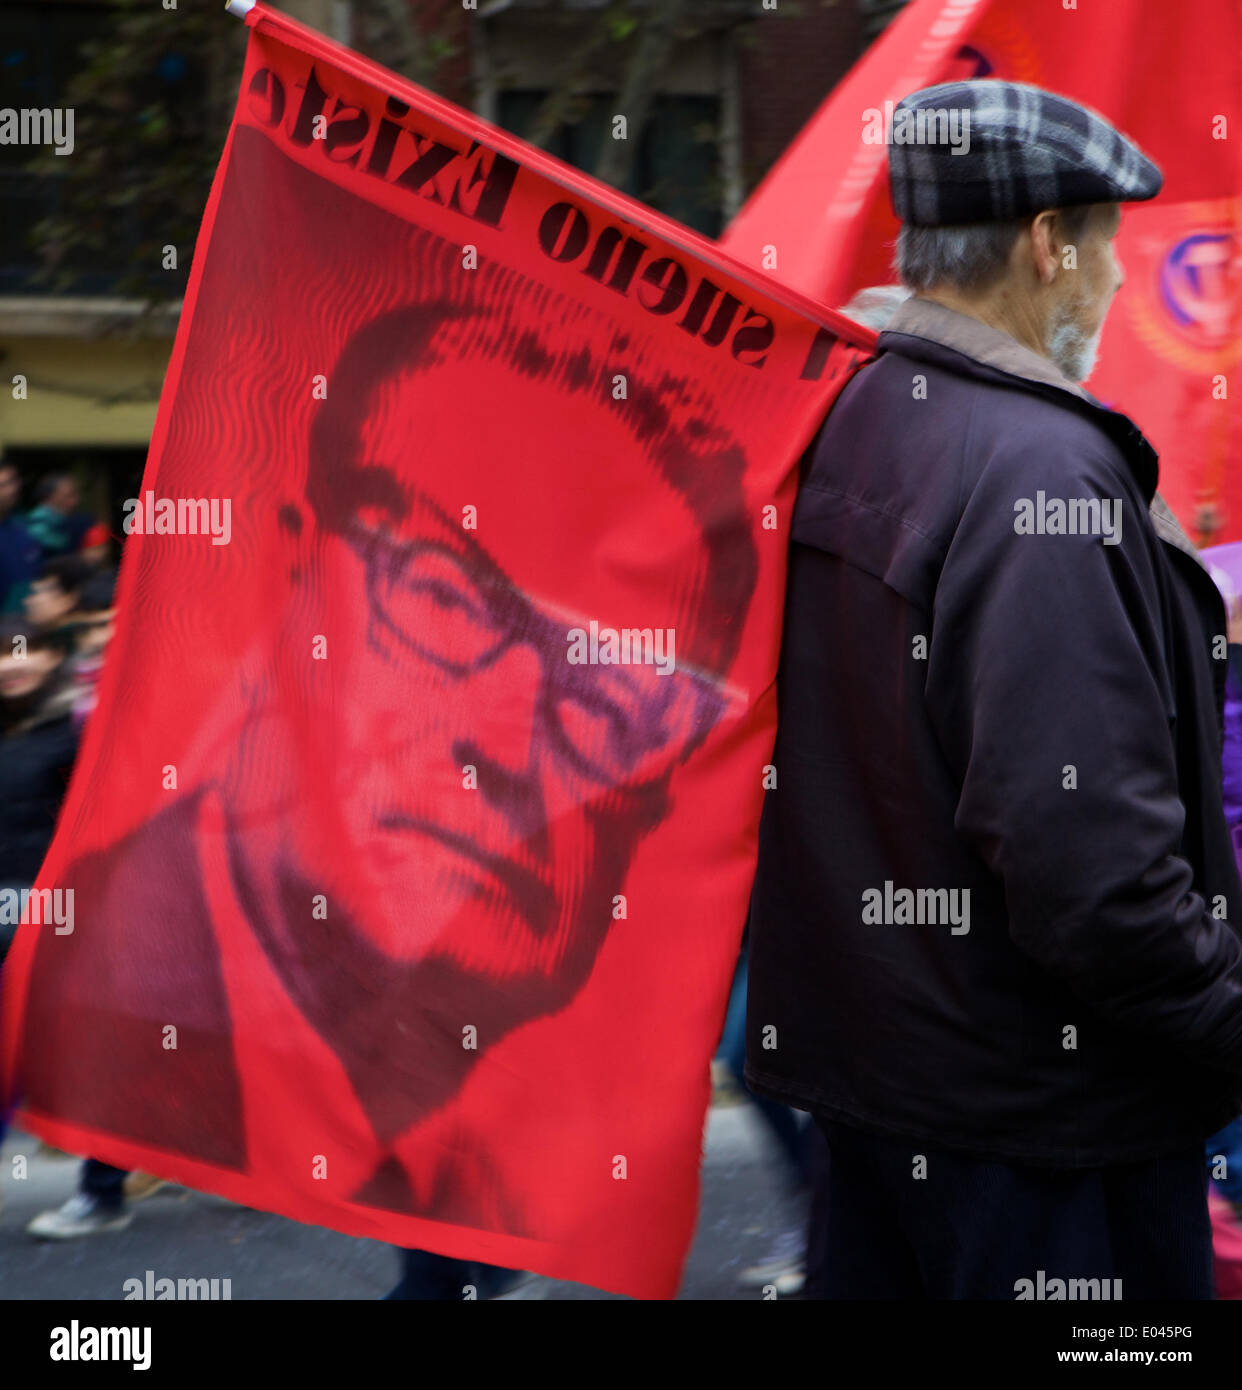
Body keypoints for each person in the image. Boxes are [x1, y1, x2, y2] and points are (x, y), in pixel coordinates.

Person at [12, 297, 760, 1290]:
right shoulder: (119, 975)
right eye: (443, 600)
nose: (507, 744)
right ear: (294, 565)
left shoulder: (516, 1060)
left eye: (614, 693)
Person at [747, 79, 1242, 1300]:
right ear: (1046, 244)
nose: (1121, 281)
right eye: (1108, 244)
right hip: (1050, 1151)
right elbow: (1094, 878)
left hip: (879, 1105)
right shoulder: (1042, 472)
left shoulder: (848, 413)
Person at [0, 462, 41, 615]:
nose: (12, 490)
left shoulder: (24, 529)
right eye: (3, 485)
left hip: (27, 627)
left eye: (13, 482)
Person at [24, 474, 85, 561]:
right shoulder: (37, 525)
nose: (77, 500)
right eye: (70, 495)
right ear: (50, 497)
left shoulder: (67, 521)